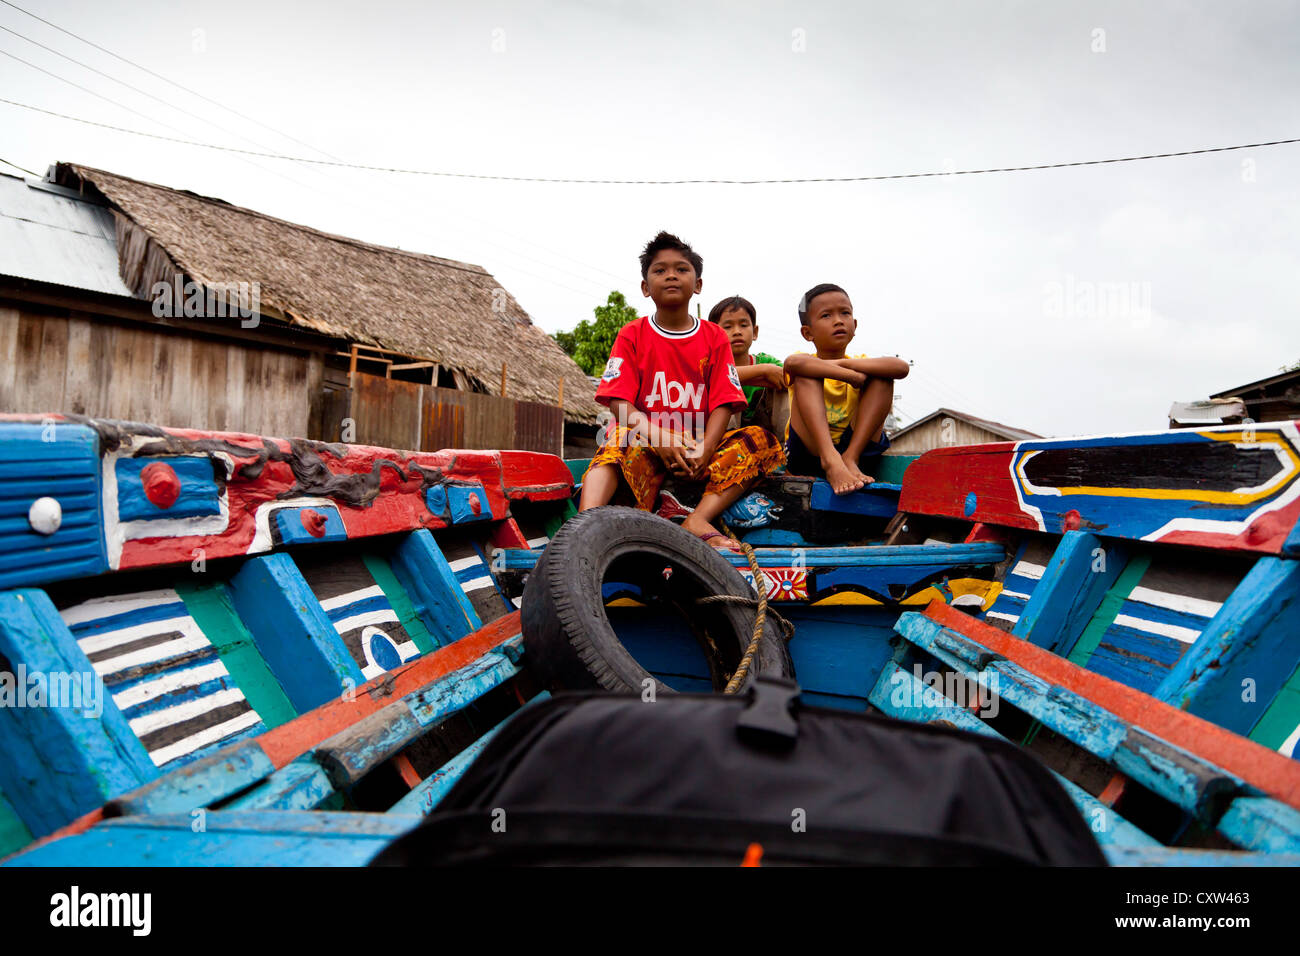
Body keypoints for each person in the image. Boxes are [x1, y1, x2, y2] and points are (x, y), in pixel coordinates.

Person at [580, 232, 786, 550]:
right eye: (660, 270)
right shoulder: (632, 334)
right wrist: (659, 438)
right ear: (646, 288)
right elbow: (618, 402)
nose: (672, 275)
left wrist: (705, 448)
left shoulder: (715, 337)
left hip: (698, 451)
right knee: (616, 438)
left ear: (698, 284)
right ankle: (584, 527)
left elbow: (725, 402)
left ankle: (698, 518)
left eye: (681, 269)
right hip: (648, 444)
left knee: (761, 440)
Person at [783, 283, 910, 495]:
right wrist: (849, 376)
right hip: (812, 452)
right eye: (826, 316)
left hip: (856, 453)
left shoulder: (860, 363)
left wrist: (845, 365)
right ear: (807, 333)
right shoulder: (806, 361)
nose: (839, 320)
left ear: (855, 325)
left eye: (845, 313)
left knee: (883, 378)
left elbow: (900, 367)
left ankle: (849, 458)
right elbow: (793, 364)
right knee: (806, 374)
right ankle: (831, 460)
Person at [706, 295, 787, 434]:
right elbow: (718, 375)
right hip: (726, 433)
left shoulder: (766, 362)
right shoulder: (708, 364)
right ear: (713, 335)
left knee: (784, 384)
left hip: (764, 426)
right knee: (723, 385)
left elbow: (786, 375)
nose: (737, 331)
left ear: (755, 332)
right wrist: (763, 371)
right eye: (727, 326)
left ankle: (786, 445)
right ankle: (724, 446)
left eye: (743, 325)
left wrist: (766, 370)